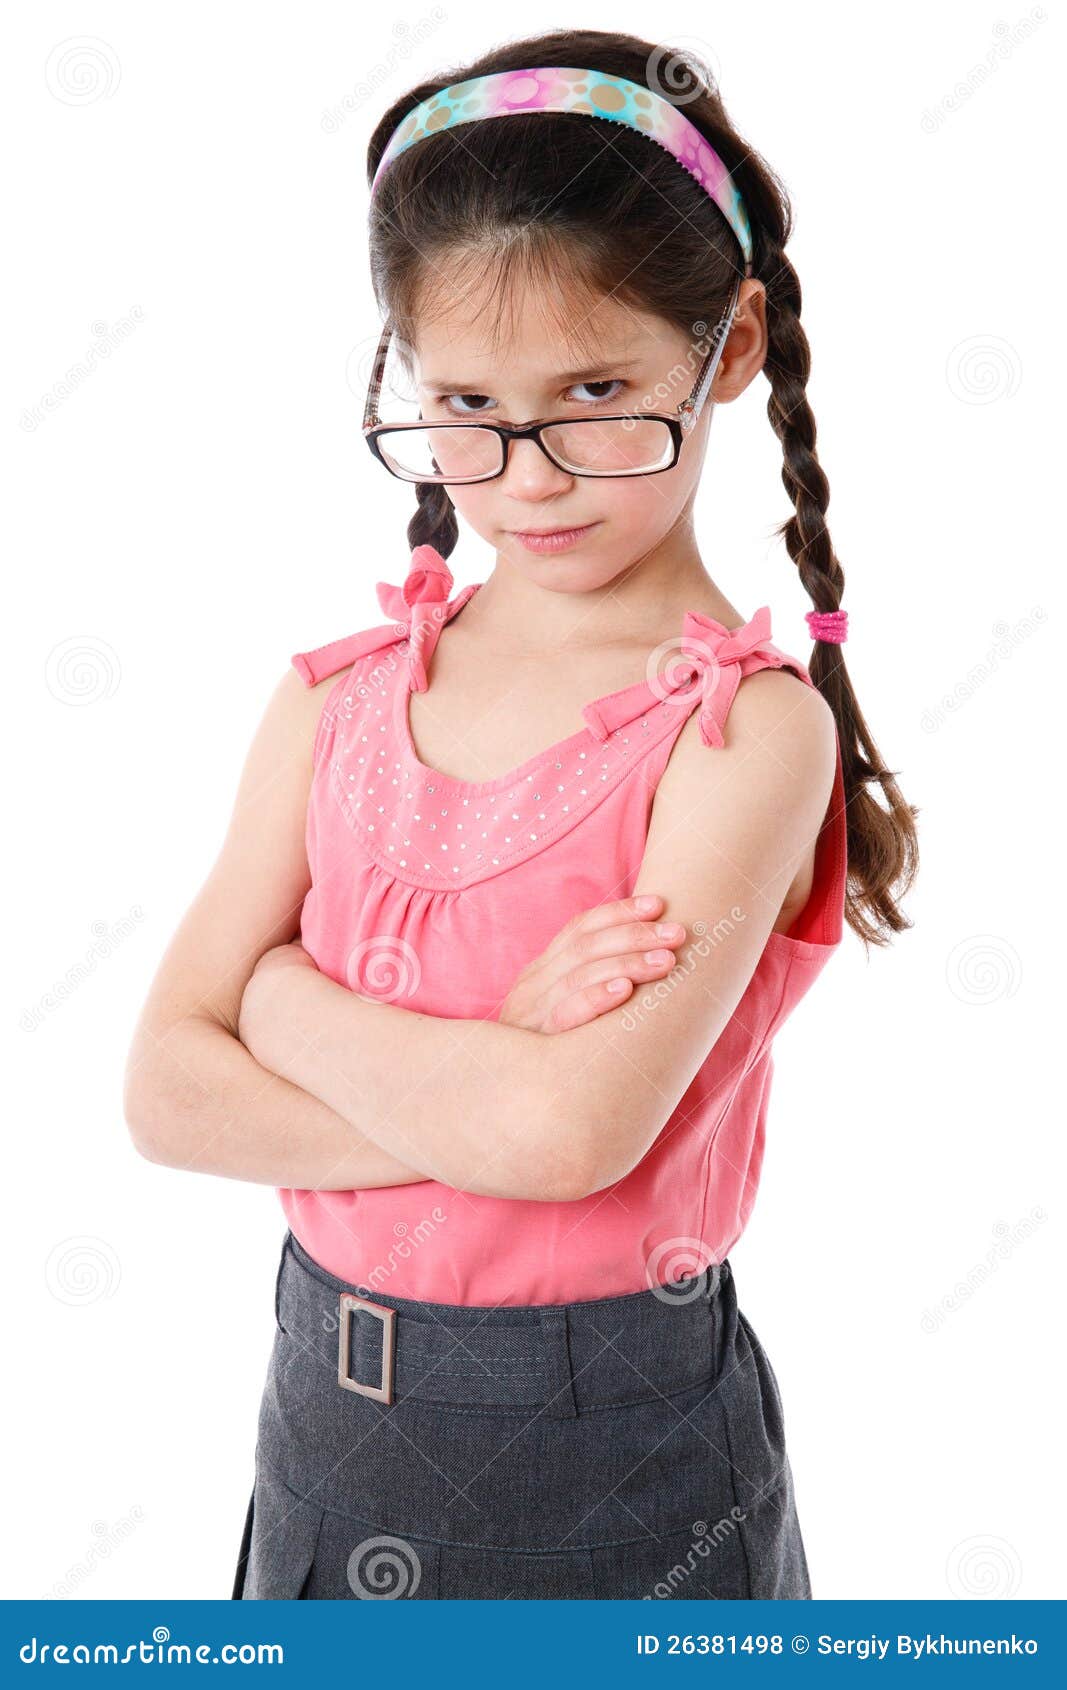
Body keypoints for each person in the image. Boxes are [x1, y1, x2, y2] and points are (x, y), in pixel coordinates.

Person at [125, 30, 919, 1601]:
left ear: (733, 345)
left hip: (615, 1438)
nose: (529, 474)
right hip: (319, 1412)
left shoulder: (745, 736)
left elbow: (568, 1135)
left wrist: (278, 999)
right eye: (470, 405)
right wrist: (486, 1071)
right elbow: (162, 1093)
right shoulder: (337, 698)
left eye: (602, 392)